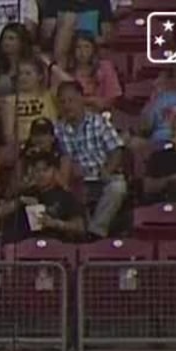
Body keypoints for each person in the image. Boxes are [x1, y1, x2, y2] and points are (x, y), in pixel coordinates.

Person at [53, 80, 127, 238]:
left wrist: (108, 170)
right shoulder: (57, 130)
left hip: (101, 175)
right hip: (76, 181)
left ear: (81, 99)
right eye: (63, 102)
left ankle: (95, 232)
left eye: (71, 100)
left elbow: (117, 150)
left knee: (118, 187)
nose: (67, 106)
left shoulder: (99, 122)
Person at [0, 149, 83, 242]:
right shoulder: (25, 193)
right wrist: (20, 201)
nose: (41, 175)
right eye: (37, 171)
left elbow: (79, 226)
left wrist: (54, 223)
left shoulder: (65, 196)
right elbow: (0, 213)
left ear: (54, 171)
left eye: (45, 170)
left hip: (55, 246)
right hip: (23, 245)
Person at [49, 29, 120, 112]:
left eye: (87, 47)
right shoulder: (65, 70)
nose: (82, 52)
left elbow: (112, 98)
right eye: (78, 47)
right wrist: (90, 101)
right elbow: (57, 98)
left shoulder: (105, 67)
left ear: (93, 49)